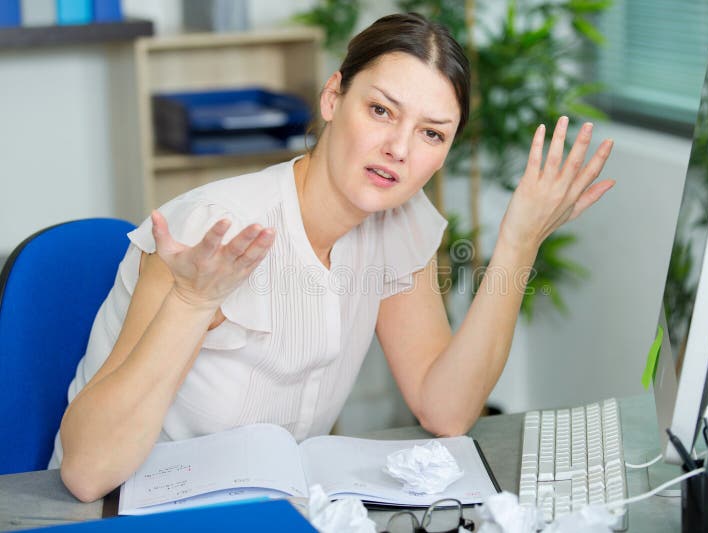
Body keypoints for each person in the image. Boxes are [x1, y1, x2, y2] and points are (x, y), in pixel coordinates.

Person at [53, 12, 615, 502]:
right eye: (380, 110)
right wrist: (191, 300)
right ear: (332, 97)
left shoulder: (402, 221)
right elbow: (86, 474)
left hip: (272, 506)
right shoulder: (211, 230)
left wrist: (519, 243)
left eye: (431, 134)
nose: (398, 148)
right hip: (135, 507)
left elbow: (445, 409)